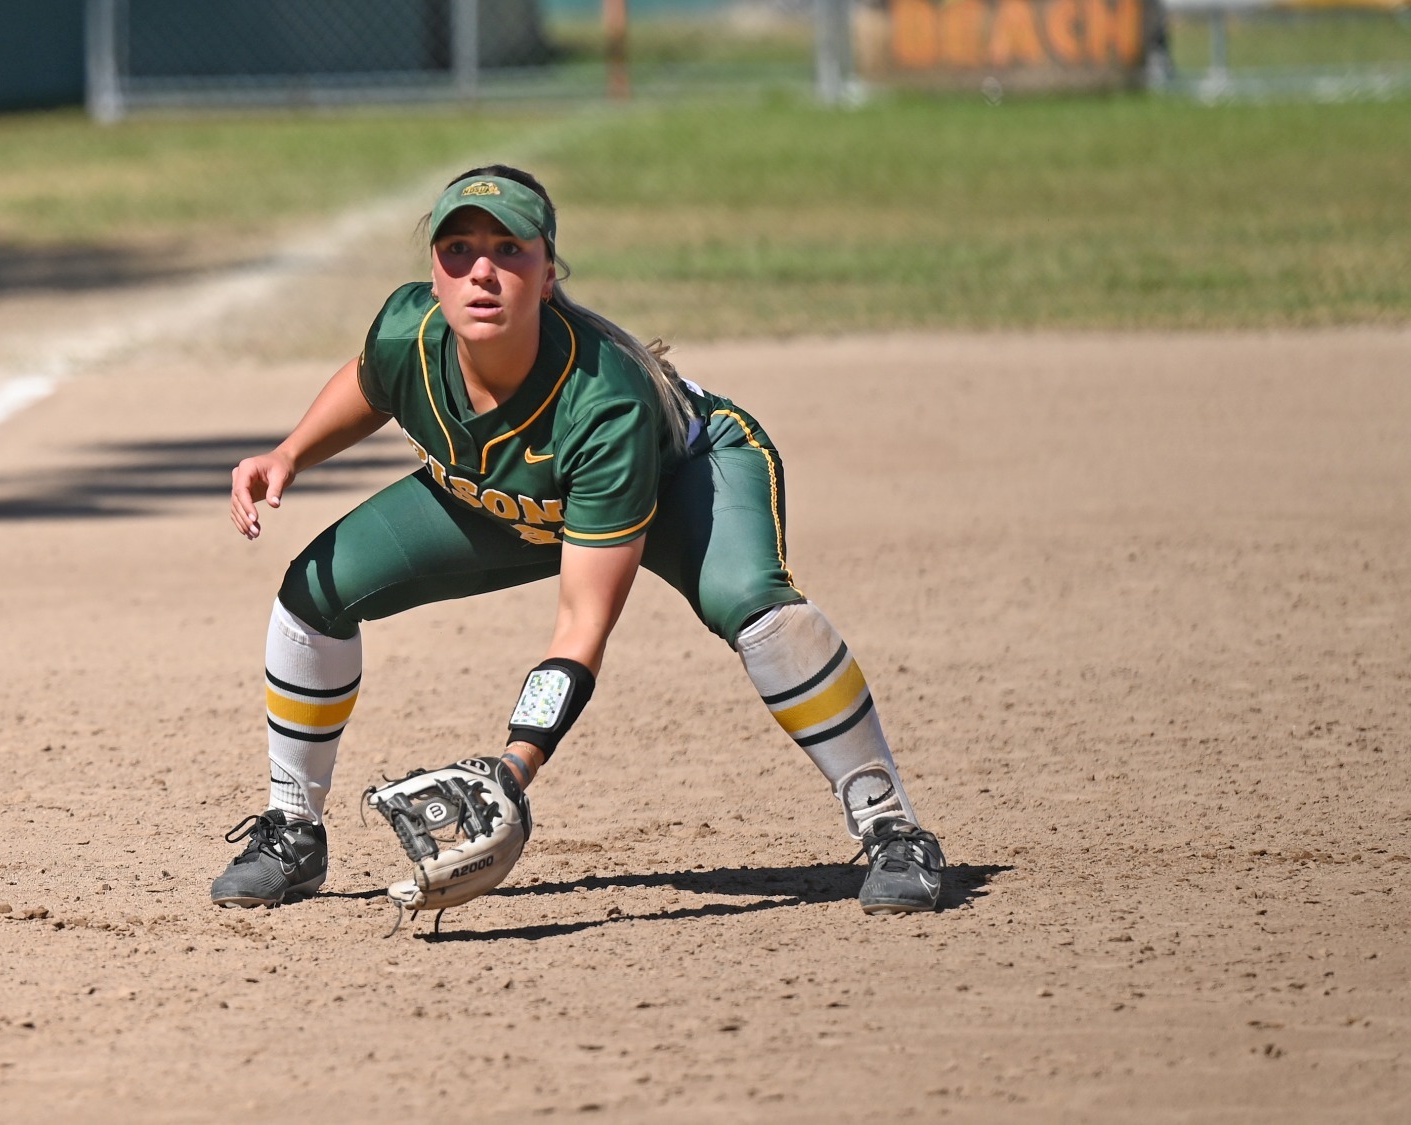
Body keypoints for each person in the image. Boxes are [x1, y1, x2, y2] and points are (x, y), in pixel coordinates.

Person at [209, 165, 945, 915]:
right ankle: (294, 831)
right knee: (316, 591)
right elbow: (370, 381)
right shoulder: (410, 329)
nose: (482, 271)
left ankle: (894, 830)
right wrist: (290, 452)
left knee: (751, 604)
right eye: (458, 250)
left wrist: (511, 771)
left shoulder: (604, 402)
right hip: (520, 499)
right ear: (433, 273)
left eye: (509, 249)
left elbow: (581, 627)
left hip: (679, 478)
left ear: (549, 273)